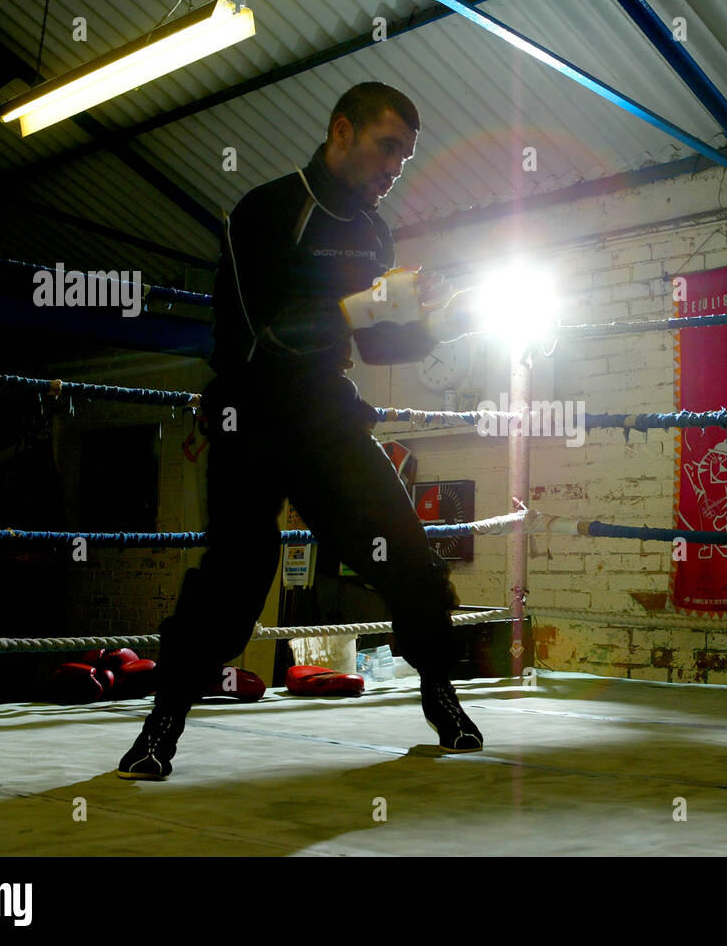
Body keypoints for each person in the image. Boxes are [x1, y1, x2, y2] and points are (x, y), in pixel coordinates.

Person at [118, 82, 483, 780]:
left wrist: (441, 322)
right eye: (385, 148)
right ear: (340, 132)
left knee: (406, 551)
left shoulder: (374, 233)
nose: (393, 168)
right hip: (250, 413)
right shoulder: (264, 211)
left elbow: (374, 346)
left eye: (405, 158)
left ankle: (440, 695)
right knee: (232, 582)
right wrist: (371, 302)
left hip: (324, 415)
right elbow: (271, 329)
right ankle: (160, 726)